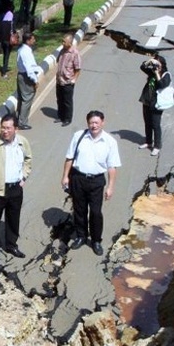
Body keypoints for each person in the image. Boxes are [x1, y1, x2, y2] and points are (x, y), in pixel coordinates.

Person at [61, 110, 121, 257]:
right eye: (91, 123)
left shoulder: (110, 142)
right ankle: (81, 236)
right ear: (87, 123)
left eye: (96, 122)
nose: (94, 125)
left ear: (103, 122)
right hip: (78, 178)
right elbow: (69, 157)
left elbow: (112, 167)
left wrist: (110, 187)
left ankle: (96, 240)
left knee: (95, 212)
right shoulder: (79, 136)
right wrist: (65, 176)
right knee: (79, 209)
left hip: (96, 181)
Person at [0, 113, 33, 258]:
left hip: (15, 188)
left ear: (16, 129)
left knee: (13, 219)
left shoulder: (23, 142)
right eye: (3, 128)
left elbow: (28, 159)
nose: (5, 131)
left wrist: (24, 176)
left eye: (8, 128)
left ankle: (11, 245)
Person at [138, 53, 170, 157]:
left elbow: (161, 85)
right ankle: (148, 142)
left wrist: (157, 73)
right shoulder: (151, 70)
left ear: (162, 64)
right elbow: (142, 67)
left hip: (157, 103)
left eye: (158, 63)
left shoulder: (166, 74)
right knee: (147, 123)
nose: (156, 65)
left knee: (155, 125)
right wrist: (150, 61)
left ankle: (157, 146)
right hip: (147, 101)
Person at [55, 33, 82, 127]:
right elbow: (58, 60)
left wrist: (74, 79)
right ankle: (60, 116)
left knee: (67, 101)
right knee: (60, 99)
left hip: (68, 81)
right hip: (59, 80)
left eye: (64, 42)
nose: (62, 43)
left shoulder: (75, 53)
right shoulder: (62, 50)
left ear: (69, 43)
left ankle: (67, 118)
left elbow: (78, 69)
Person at [16, 32, 40, 130]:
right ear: (28, 40)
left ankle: (19, 118)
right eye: (33, 39)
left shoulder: (21, 49)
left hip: (21, 75)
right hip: (26, 77)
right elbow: (29, 68)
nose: (34, 41)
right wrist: (35, 80)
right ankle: (22, 122)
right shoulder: (26, 52)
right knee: (27, 99)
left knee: (22, 98)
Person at [0, 1, 16, 78]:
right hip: (9, 41)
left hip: (3, 41)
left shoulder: (2, 22)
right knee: (7, 56)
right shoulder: (11, 22)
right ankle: (4, 72)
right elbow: (14, 31)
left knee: (5, 55)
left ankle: (4, 68)